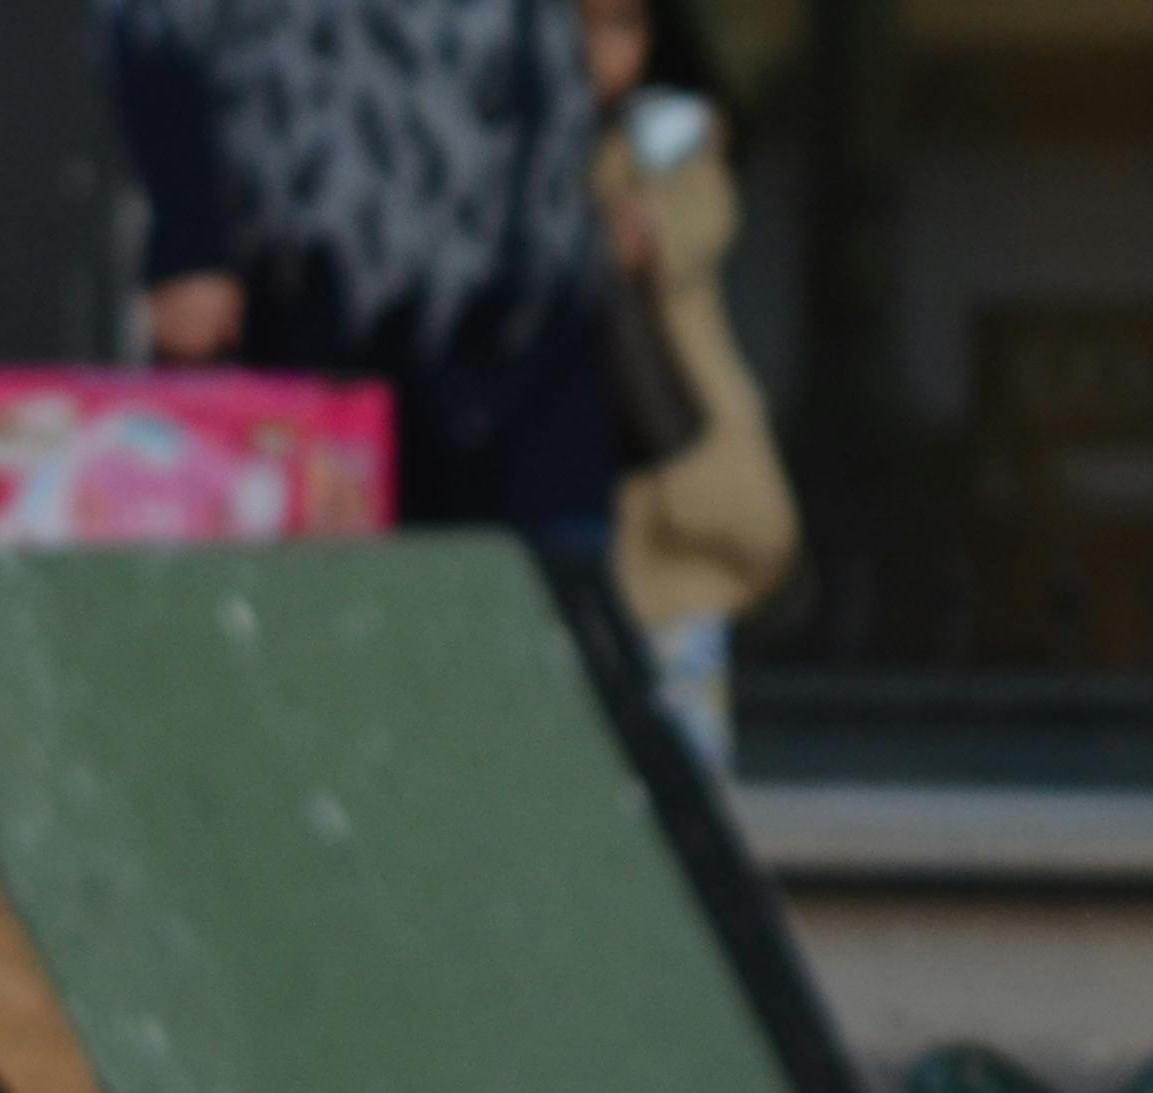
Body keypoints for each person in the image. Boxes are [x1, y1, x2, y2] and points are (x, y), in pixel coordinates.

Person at [100, 0, 613, 539]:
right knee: (333, 589)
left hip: (537, 307)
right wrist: (190, 244)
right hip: (328, 296)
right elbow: (150, 28)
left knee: (556, 587)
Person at [577, 0, 796, 767]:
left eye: (621, 26)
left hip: (674, 507)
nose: (596, 50)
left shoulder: (666, 134)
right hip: (573, 495)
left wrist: (629, 229)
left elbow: (693, 219)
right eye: (578, 24)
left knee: (687, 765)